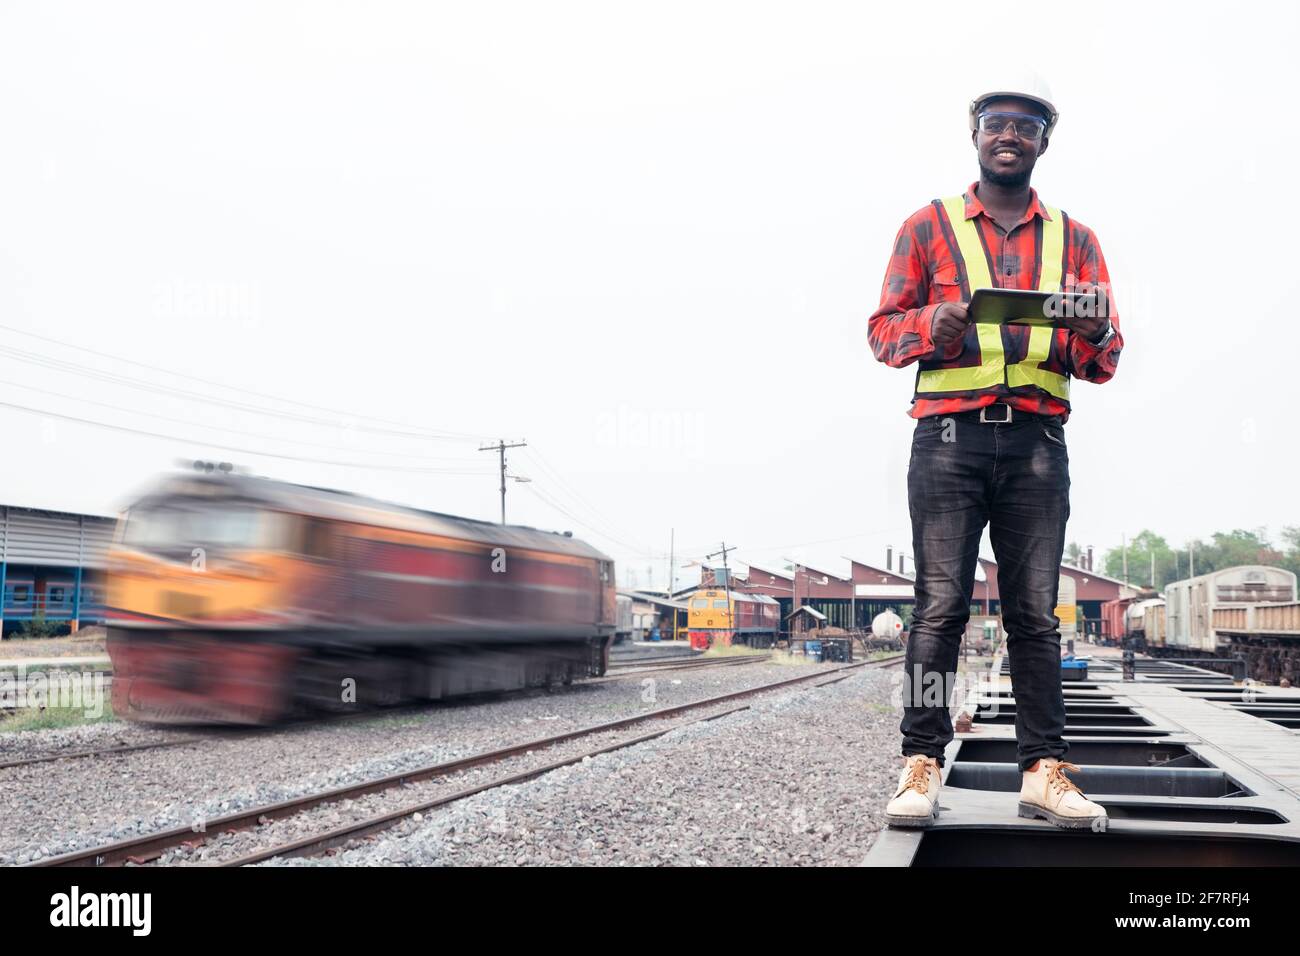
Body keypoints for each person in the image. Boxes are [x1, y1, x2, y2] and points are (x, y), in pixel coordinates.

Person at [867, 74, 1123, 830]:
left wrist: (1099, 327)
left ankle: (1045, 771)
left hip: (1037, 441)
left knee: (1035, 616)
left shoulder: (1076, 240)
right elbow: (883, 332)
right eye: (996, 124)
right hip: (948, 440)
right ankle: (920, 764)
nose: (1009, 135)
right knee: (937, 609)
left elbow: (1101, 361)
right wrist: (929, 326)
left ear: (1044, 143)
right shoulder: (927, 227)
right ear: (976, 136)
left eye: (1026, 126)